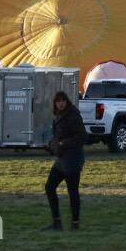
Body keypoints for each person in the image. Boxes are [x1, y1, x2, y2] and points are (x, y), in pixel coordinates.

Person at [43, 91, 87, 231]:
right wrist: (52, 146)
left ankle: (75, 224)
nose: (60, 103)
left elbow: (81, 137)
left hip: (73, 160)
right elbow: (58, 136)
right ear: (55, 103)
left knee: (72, 191)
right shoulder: (58, 116)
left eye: (63, 100)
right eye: (58, 101)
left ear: (67, 101)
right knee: (50, 187)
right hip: (62, 160)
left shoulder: (73, 115)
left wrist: (62, 144)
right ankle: (57, 223)